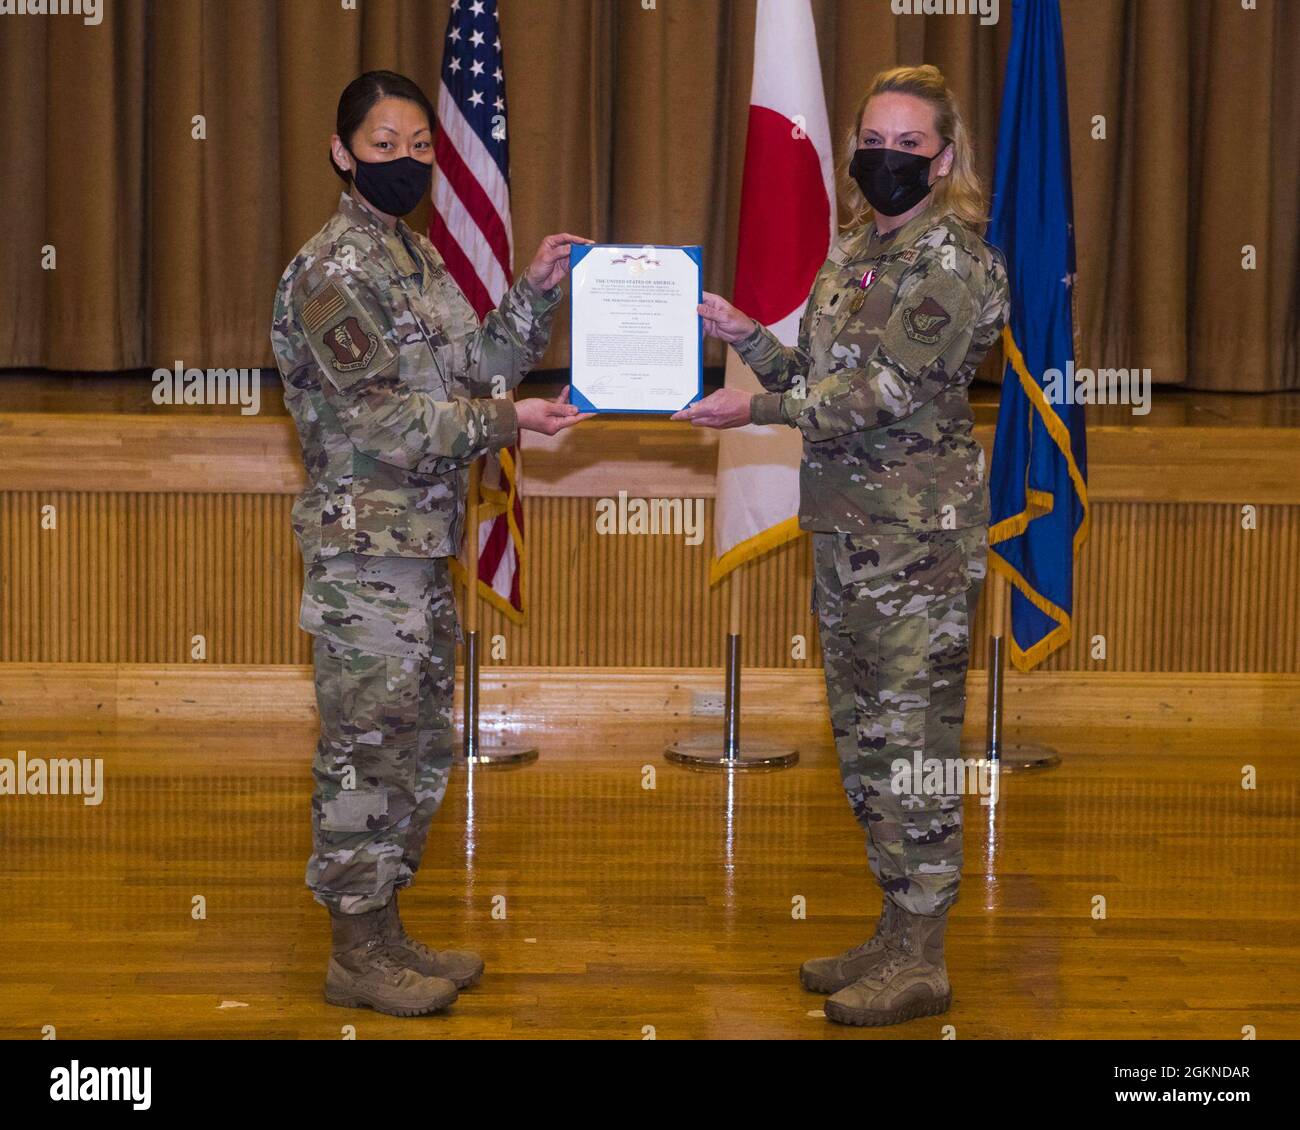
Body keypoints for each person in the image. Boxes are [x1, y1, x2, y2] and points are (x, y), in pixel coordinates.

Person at [676, 64, 1009, 1027]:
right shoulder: (854, 251)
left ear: (944, 160)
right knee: (866, 745)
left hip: (918, 551)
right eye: (875, 140)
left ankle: (926, 956)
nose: (887, 159)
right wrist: (753, 338)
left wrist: (758, 404)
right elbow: (828, 374)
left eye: (911, 146)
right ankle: (893, 932)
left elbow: (880, 397)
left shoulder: (955, 264)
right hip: (850, 539)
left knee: (916, 750)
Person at [271, 70, 590, 1018]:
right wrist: (510, 420)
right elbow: (386, 423)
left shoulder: (412, 260)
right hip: (365, 556)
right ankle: (355, 951)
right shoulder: (333, 271)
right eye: (384, 145)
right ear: (342, 152)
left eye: (419, 147)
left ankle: (388, 926)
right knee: (367, 750)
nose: (406, 161)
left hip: (419, 547)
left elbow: (477, 362)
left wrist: (533, 294)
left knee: (414, 747)